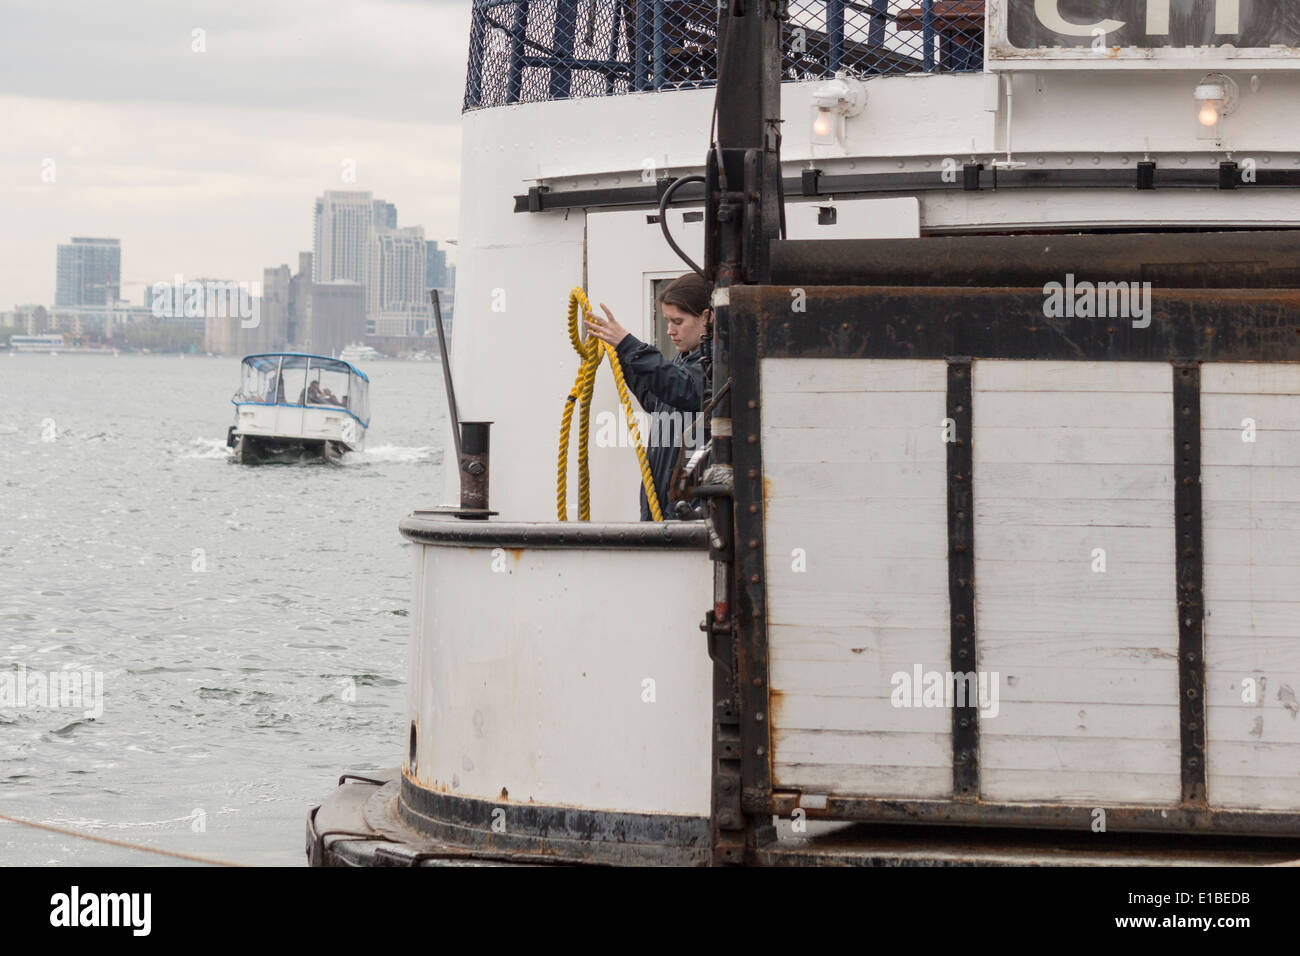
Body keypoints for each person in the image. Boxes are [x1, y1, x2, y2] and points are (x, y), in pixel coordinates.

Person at [582, 272, 710, 521]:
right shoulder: (684, 362)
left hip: (688, 516)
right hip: (664, 513)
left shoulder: (716, 364)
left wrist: (627, 346)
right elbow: (655, 398)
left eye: (678, 321)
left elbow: (683, 389)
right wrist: (621, 354)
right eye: (667, 321)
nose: (670, 331)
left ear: (707, 317)